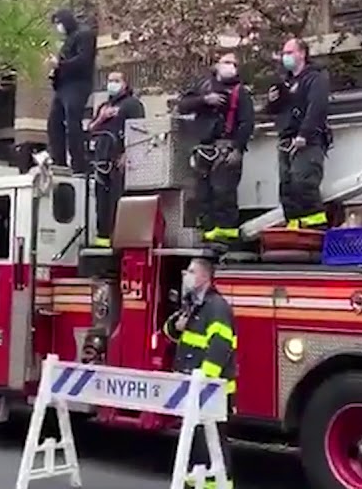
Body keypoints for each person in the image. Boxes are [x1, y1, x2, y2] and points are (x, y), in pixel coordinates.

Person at [162, 258, 237, 487]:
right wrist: (176, 327)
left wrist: (204, 382)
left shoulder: (217, 307)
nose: (186, 275)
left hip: (211, 388)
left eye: (191, 271)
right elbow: (169, 332)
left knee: (212, 441)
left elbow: (220, 346)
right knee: (196, 439)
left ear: (205, 277)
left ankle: (219, 484)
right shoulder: (193, 304)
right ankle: (196, 482)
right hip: (194, 385)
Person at [176, 53, 255, 246]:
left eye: (234, 64)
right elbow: (183, 106)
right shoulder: (203, 87)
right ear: (216, 65)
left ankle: (227, 236)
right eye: (227, 62)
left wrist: (238, 149)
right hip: (203, 149)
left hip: (226, 149)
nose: (231, 66)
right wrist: (205, 100)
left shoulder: (241, 92)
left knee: (224, 193)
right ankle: (208, 233)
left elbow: (247, 123)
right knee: (203, 194)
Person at [266, 38, 331, 231]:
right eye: (284, 53)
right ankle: (293, 225)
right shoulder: (284, 82)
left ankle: (315, 225)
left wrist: (304, 134)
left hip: (307, 140)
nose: (285, 57)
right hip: (286, 139)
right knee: (287, 187)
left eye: (290, 52)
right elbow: (273, 111)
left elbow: (317, 107)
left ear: (302, 53)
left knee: (303, 182)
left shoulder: (315, 78)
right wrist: (272, 101)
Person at [88, 71, 145, 247]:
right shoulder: (104, 106)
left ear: (125, 83)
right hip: (101, 159)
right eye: (110, 80)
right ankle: (102, 238)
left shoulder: (133, 104)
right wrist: (102, 118)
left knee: (117, 200)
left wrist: (128, 153)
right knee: (101, 202)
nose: (112, 84)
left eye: (116, 80)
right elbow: (90, 129)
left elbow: (139, 130)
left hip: (119, 159)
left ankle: (118, 238)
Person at [46, 8, 97, 173]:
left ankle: (78, 163)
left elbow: (84, 60)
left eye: (59, 23)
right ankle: (59, 160)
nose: (58, 27)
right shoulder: (68, 40)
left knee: (72, 122)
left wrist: (60, 65)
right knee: (54, 123)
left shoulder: (85, 35)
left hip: (77, 85)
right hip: (63, 86)